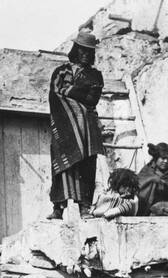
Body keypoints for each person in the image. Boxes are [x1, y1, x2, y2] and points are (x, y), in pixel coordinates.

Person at [48, 30, 105, 220]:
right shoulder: (61, 71)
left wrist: (69, 90)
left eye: (89, 51)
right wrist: (79, 93)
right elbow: (55, 94)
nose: (86, 55)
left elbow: (92, 99)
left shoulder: (95, 75)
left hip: (87, 130)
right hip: (65, 127)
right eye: (82, 50)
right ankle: (58, 209)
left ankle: (85, 208)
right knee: (62, 166)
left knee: (87, 168)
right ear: (76, 50)